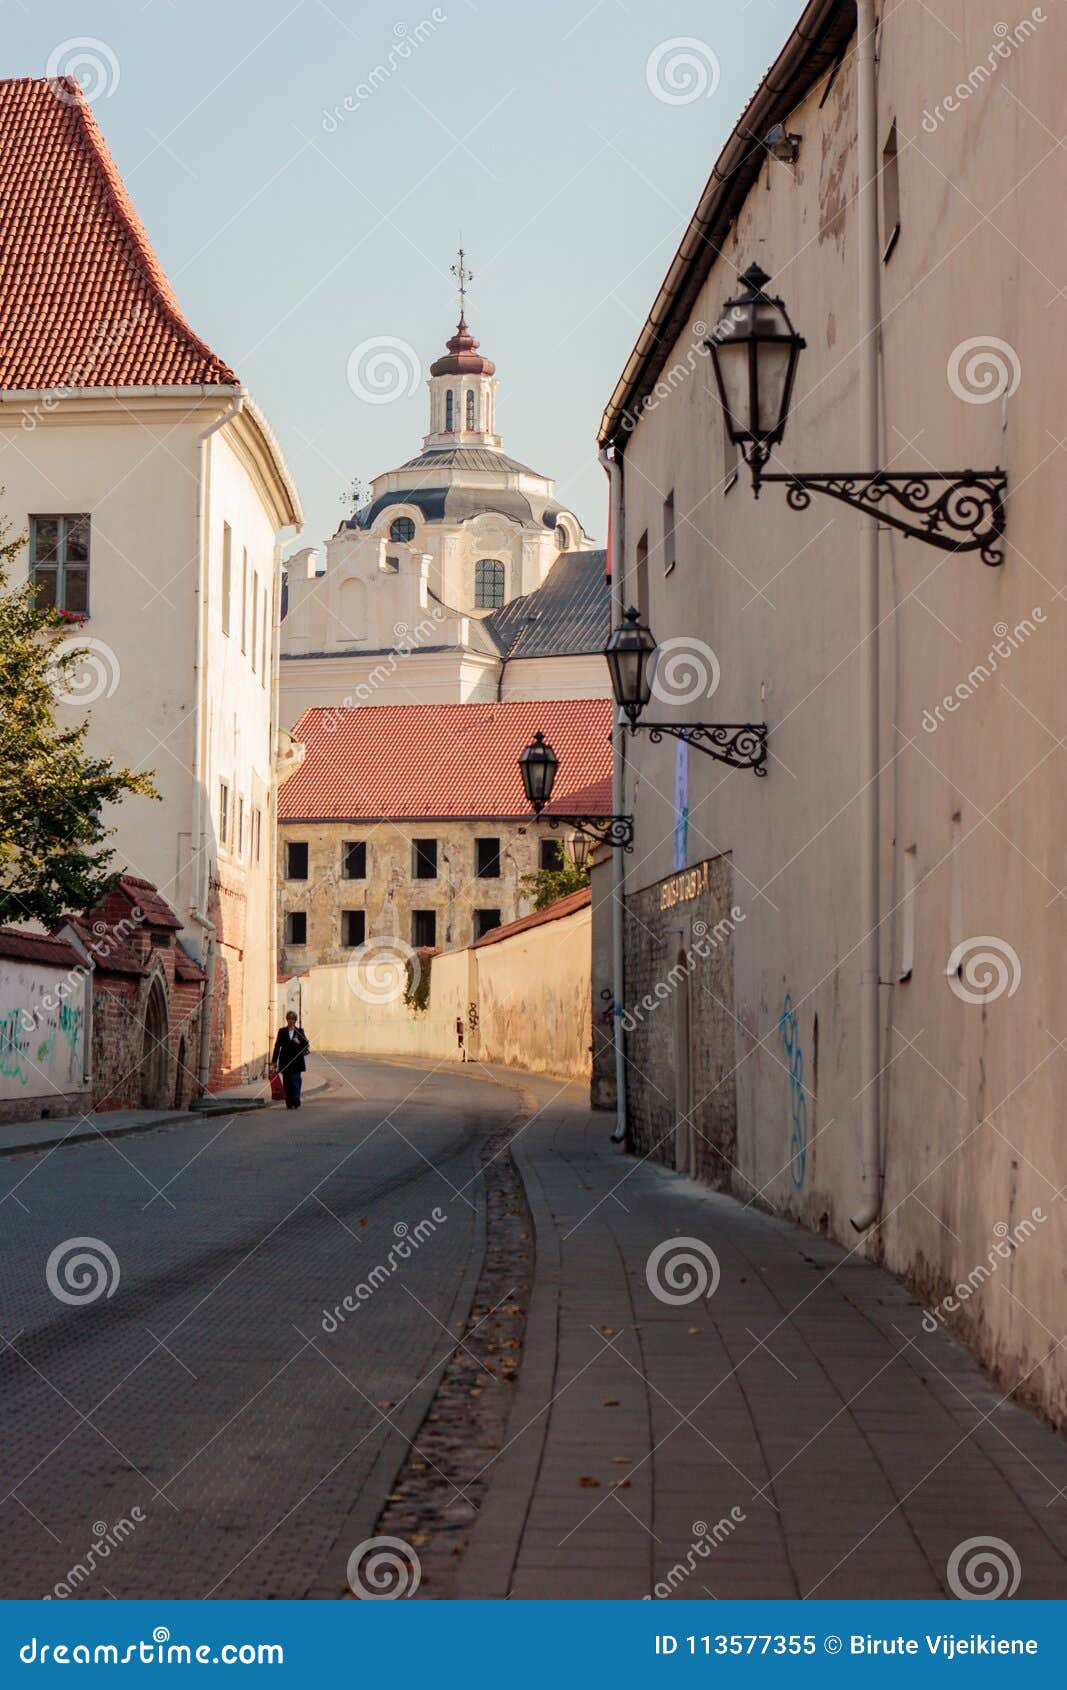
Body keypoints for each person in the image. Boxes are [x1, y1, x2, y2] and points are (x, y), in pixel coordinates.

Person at [271, 1011, 310, 1109]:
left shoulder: (300, 1031)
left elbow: (306, 1045)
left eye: (293, 1019)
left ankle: (296, 1100)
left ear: (295, 1020)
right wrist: (274, 1061)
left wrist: (298, 1042)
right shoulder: (282, 1031)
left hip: (297, 1061)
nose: (291, 1021)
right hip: (285, 1061)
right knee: (287, 1082)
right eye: (289, 1019)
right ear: (287, 1020)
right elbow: (277, 1046)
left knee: (296, 1081)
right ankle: (289, 1102)